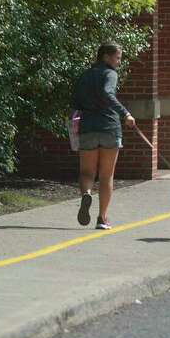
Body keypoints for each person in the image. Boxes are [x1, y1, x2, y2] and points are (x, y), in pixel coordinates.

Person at [71, 42, 136, 229]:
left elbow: (75, 104)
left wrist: (75, 124)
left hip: (88, 128)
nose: (119, 62)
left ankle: (87, 194)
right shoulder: (110, 74)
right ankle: (102, 218)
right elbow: (107, 93)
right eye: (117, 58)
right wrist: (126, 114)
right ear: (106, 57)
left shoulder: (85, 76)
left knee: (86, 172)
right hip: (109, 128)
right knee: (106, 175)